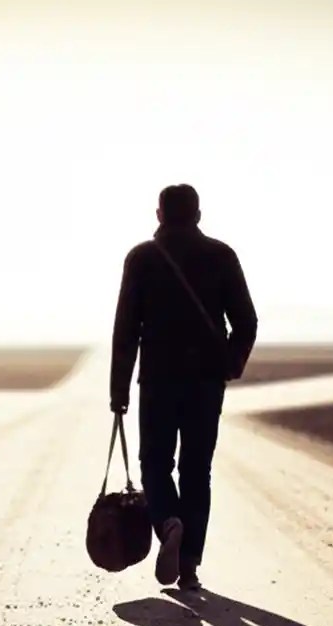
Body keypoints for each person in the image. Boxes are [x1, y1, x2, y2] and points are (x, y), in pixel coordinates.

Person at [109, 184, 258, 591]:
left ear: (159, 215)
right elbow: (246, 321)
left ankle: (168, 522)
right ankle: (189, 563)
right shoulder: (221, 256)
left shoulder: (141, 258)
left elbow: (126, 331)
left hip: (157, 380)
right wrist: (228, 365)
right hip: (206, 385)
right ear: (198, 214)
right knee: (197, 470)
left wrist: (118, 392)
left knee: (155, 462)